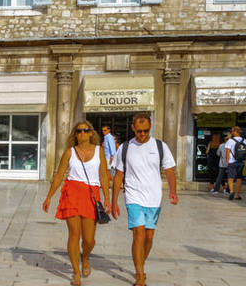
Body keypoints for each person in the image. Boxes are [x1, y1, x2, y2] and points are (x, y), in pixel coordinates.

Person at [111, 112, 177, 286]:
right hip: (133, 196)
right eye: (139, 131)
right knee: (139, 234)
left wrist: (173, 191)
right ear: (133, 128)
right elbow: (118, 176)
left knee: (148, 237)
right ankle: (139, 274)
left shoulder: (160, 146)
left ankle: (140, 263)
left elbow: (169, 170)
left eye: (146, 131)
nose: (142, 134)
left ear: (150, 128)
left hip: (154, 198)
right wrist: (113, 201)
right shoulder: (125, 148)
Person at [43, 121, 111, 286]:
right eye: (79, 131)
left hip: (91, 195)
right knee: (74, 234)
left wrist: (107, 198)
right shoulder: (69, 152)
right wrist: (49, 196)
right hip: (72, 193)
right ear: (75, 134)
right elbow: (59, 175)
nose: (82, 133)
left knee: (89, 240)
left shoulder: (99, 151)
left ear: (91, 133)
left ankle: (85, 257)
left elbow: (103, 175)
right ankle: (76, 272)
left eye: (85, 130)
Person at [225, 126, 246, 201]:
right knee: (239, 178)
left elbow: (227, 152)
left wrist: (227, 161)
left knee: (230, 177)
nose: (231, 132)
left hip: (232, 162)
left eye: (232, 131)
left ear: (235, 131)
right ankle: (237, 195)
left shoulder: (230, 141)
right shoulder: (244, 140)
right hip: (241, 161)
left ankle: (231, 191)